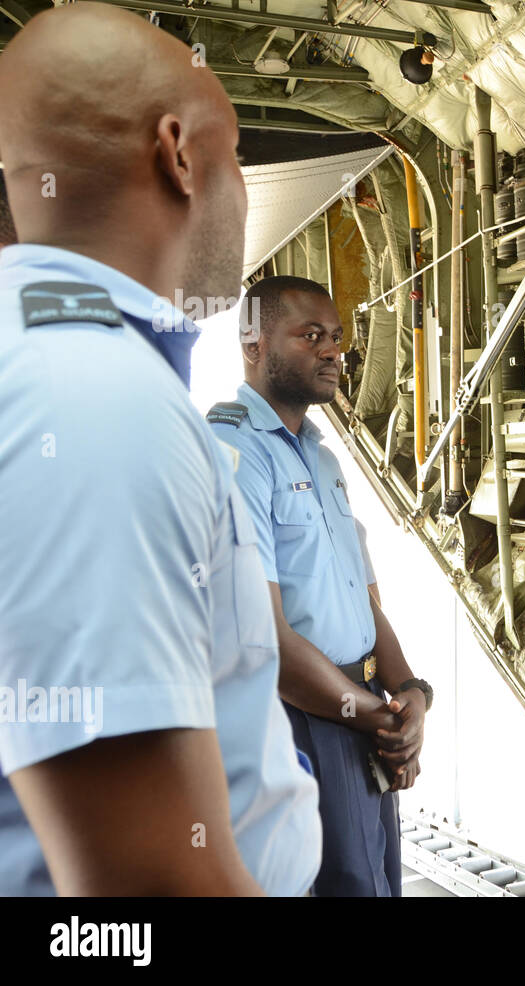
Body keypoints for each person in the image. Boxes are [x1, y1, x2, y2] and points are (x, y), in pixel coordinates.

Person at [0, 4, 320, 895]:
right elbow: (147, 885)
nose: (243, 185)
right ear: (178, 153)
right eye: (238, 152)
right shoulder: (94, 400)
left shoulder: (43, 359)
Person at [207, 275, 430, 897]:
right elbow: (262, 641)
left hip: (356, 714)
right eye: (311, 336)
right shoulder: (232, 452)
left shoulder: (322, 457)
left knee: (375, 882)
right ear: (254, 345)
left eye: (335, 337)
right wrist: (381, 722)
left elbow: (362, 596)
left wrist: (409, 692)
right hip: (300, 721)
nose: (334, 351)